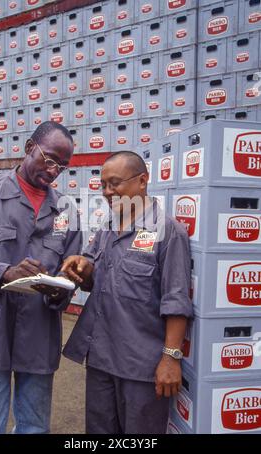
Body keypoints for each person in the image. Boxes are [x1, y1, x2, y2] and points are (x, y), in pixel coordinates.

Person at [0, 121, 82, 434]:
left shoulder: (66, 210)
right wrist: (3, 272)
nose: (55, 171)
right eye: (50, 159)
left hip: (39, 330)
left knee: (34, 425)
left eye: (63, 166)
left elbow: (70, 269)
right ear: (30, 148)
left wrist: (61, 290)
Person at [61, 151, 193, 434]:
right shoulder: (107, 227)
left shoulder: (168, 232)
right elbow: (92, 276)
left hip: (141, 368)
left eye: (115, 183)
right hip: (100, 358)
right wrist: (82, 267)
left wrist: (170, 358)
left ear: (142, 180)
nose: (108, 192)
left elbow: (176, 299)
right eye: (104, 185)